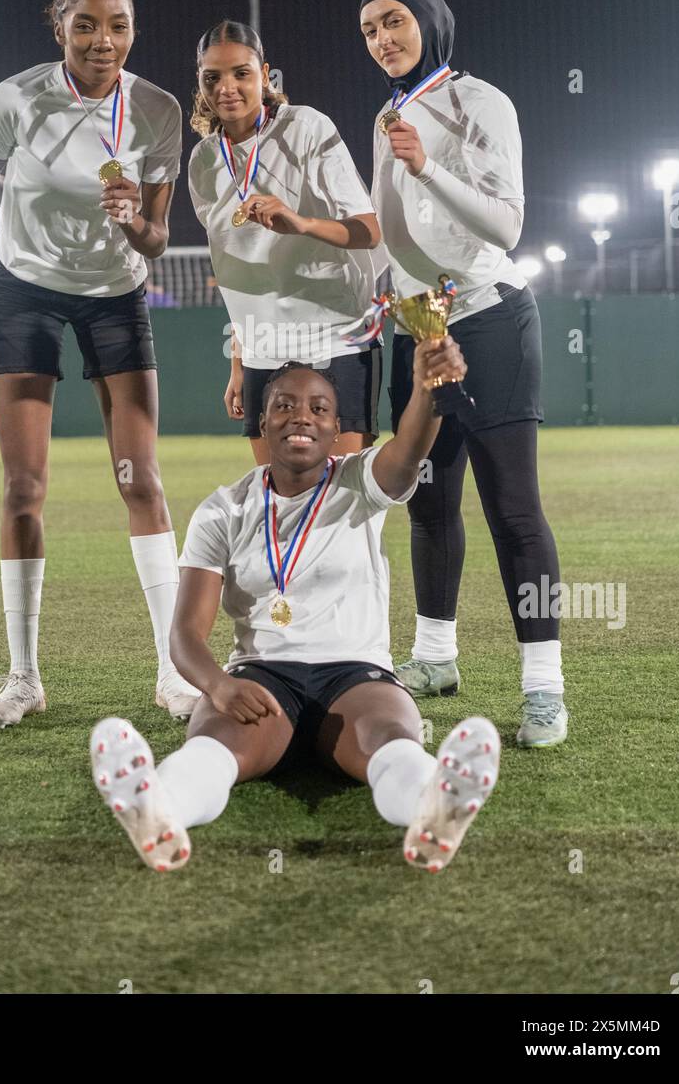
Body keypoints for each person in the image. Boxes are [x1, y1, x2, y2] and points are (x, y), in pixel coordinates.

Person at [90, 338, 501, 873]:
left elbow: (409, 451)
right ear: (261, 424)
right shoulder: (223, 510)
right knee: (214, 746)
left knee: (391, 741)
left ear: (335, 429)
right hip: (261, 679)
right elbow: (186, 634)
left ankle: (435, 806)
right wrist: (218, 685)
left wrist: (428, 388)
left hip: (356, 676)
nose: (299, 417)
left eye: (318, 409)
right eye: (283, 406)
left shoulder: (360, 481)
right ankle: (159, 808)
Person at [0, 0, 199, 726]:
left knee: (142, 482)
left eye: (119, 24)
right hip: (24, 288)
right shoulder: (16, 97)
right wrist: (27, 209)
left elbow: (160, 239)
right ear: (60, 28)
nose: (105, 40)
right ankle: (24, 678)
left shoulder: (159, 111)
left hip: (114, 296)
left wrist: (133, 221)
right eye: (87, 24)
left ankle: (172, 672)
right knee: (23, 487)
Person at [358, 0, 567, 748]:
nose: (382, 39)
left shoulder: (482, 103)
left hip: (489, 321)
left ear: (431, 22)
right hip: (420, 331)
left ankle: (544, 687)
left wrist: (425, 167)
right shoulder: (388, 115)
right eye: (370, 30)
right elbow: (386, 229)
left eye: (394, 21)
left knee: (513, 508)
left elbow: (507, 227)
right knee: (427, 500)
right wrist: (384, 295)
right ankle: (435, 658)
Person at [188, 19, 388, 466]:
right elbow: (232, 268)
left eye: (241, 73)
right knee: (279, 505)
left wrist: (301, 224)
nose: (227, 87)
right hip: (262, 349)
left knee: (343, 501)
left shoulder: (306, 127)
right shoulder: (203, 161)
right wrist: (238, 363)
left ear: (265, 73)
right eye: (212, 77)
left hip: (335, 339)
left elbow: (369, 230)